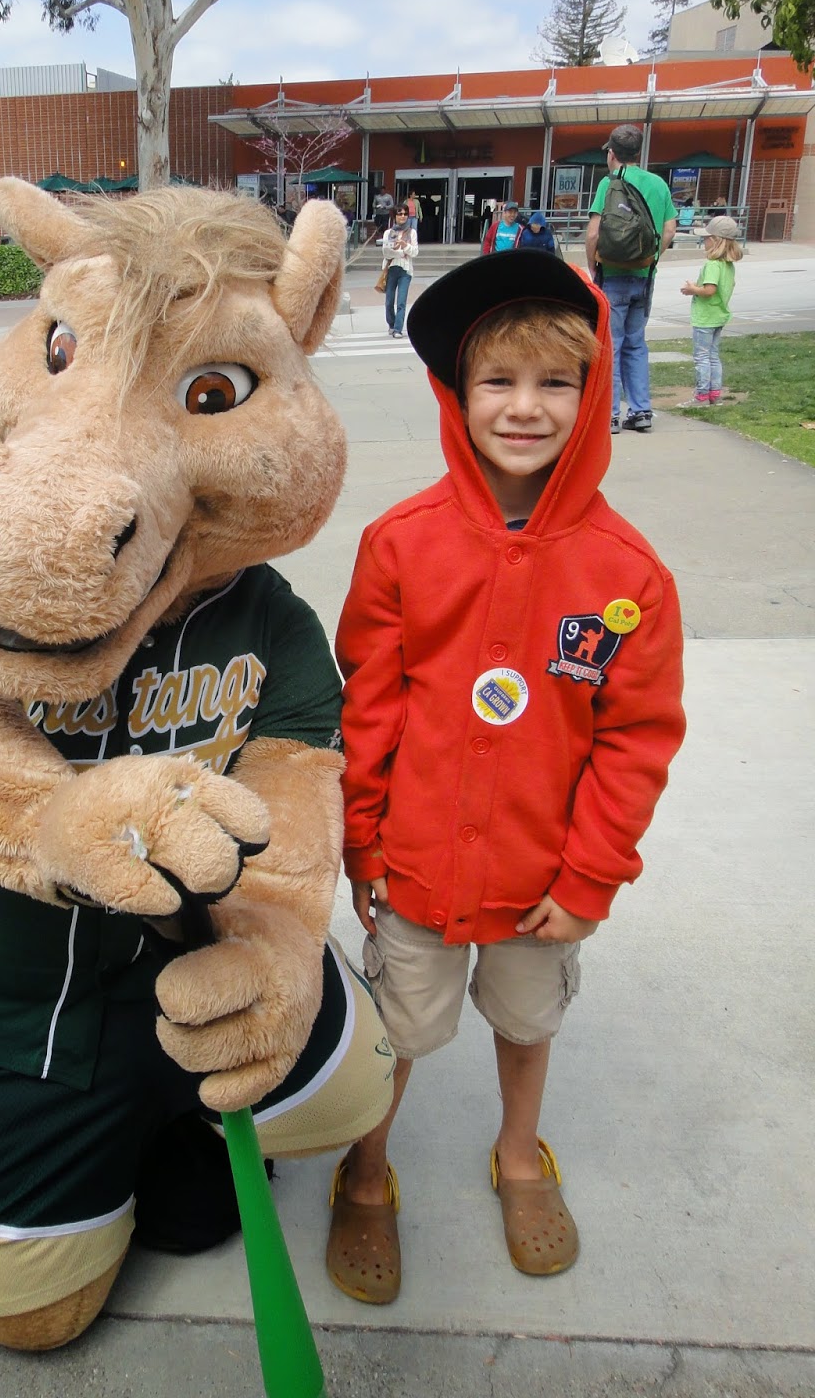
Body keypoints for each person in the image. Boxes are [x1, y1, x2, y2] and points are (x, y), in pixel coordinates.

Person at [324, 249, 685, 1305]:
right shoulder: (400, 546)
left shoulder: (629, 577)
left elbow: (638, 738)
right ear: (456, 392)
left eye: (555, 383)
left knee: (529, 1024)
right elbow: (367, 711)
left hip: (542, 882)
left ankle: (520, 1154)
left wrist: (589, 879)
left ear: (593, 391)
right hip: (418, 870)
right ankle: (368, 1164)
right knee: (403, 1030)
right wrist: (365, 850)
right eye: (499, 381)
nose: (525, 408)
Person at [586, 124, 678, 436]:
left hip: (612, 276)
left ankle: (610, 414)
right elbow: (669, 229)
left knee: (610, 345)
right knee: (636, 343)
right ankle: (640, 411)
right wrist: (651, 258)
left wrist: (592, 269)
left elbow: (594, 233)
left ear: (612, 152)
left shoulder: (608, 185)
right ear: (637, 152)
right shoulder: (658, 184)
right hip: (643, 275)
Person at [680, 215, 742, 406]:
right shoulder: (728, 265)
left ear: (716, 240)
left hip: (705, 318)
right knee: (713, 356)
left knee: (702, 357)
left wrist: (692, 290)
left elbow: (709, 290)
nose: (704, 241)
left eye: (706, 238)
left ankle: (701, 396)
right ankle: (714, 393)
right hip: (718, 316)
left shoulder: (713, 265)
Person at [381, 205, 418, 336]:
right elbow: (386, 252)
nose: (403, 216)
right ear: (395, 216)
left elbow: (415, 252)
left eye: (405, 214)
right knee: (389, 301)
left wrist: (404, 246)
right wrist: (400, 253)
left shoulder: (411, 232)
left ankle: (398, 329)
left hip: (405, 271)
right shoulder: (389, 233)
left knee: (401, 301)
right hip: (391, 269)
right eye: (400, 214)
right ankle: (391, 324)